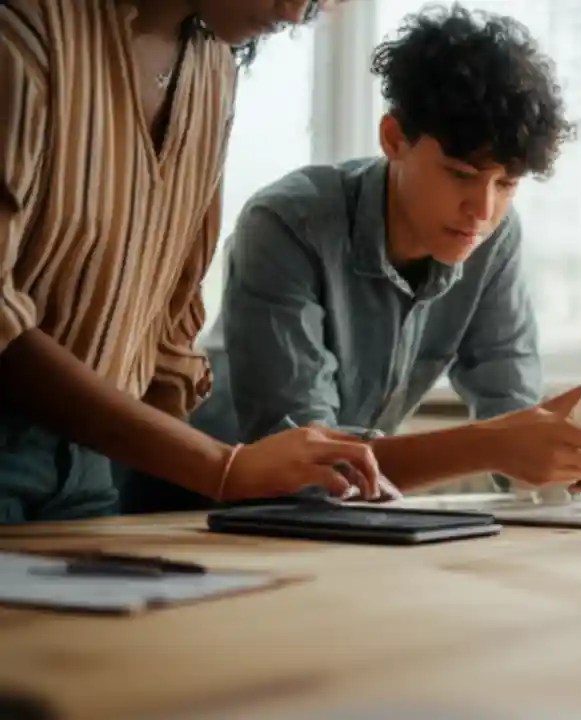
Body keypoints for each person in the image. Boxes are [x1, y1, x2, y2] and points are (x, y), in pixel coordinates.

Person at [121, 5, 581, 511]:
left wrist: (564, 432)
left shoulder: (493, 238)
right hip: (190, 513)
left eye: (508, 183)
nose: (483, 208)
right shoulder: (287, 224)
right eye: (462, 174)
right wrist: (499, 444)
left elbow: (507, 430)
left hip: (327, 524)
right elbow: (309, 467)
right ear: (393, 138)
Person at [0, 0, 386, 525]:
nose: (296, 14)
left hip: (95, 471)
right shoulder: (28, 29)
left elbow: (168, 328)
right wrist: (220, 467)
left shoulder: (211, 70)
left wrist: (181, 489)